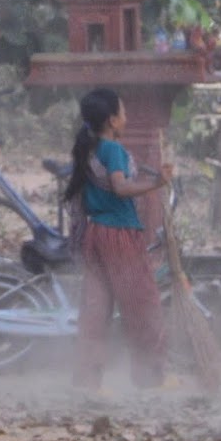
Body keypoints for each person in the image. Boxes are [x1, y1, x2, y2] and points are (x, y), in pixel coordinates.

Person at [62, 88, 173, 392]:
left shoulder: (90, 148)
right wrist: (156, 183)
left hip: (94, 235)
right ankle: (151, 378)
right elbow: (121, 188)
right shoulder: (112, 150)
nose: (127, 118)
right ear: (112, 120)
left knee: (96, 309)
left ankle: (87, 380)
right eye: (124, 113)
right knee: (142, 304)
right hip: (119, 235)